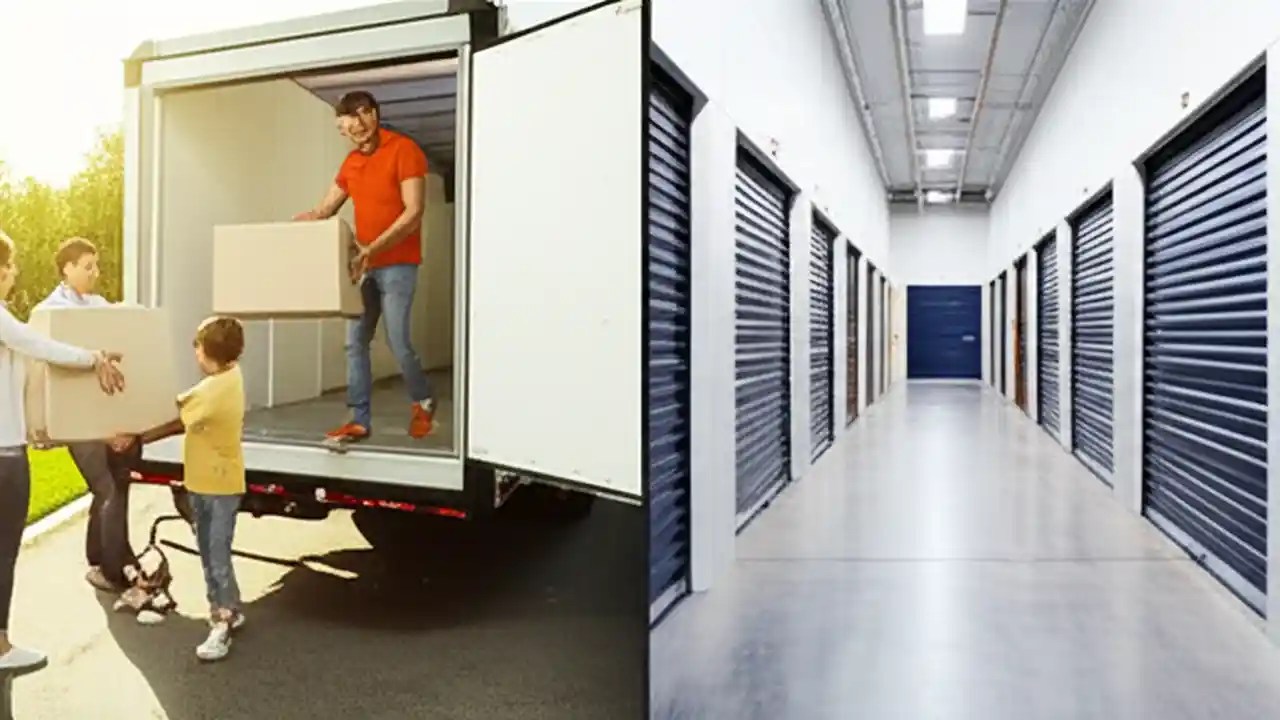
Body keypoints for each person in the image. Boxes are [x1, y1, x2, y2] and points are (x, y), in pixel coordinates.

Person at [0, 230, 125, 671]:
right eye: (10, 265)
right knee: (4, 552)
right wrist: (93, 357)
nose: (14, 272)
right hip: (5, 455)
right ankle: (0, 648)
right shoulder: (4, 318)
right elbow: (44, 349)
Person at [293, 89, 435, 449]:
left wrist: (372, 249)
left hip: (398, 264)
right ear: (341, 128)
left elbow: (413, 210)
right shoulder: (351, 165)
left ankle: (423, 402)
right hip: (365, 266)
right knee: (354, 343)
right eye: (349, 120)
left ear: (375, 114)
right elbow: (324, 210)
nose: (358, 125)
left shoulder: (404, 150)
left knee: (398, 340)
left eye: (363, 114)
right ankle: (358, 420)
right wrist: (296, 228)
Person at [113, 316, 246, 661]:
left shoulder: (213, 390)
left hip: (215, 488)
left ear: (206, 353)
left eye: (198, 347)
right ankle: (231, 607)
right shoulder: (229, 377)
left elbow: (174, 419)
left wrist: (135, 438)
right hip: (208, 482)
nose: (195, 353)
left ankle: (221, 624)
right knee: (214, 553)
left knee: (214, 557)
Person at [32, 237, 139, 593]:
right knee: (106, 487)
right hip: (78, 421)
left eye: (96, 266)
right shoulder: (50, 311)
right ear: (67, 268)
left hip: (107, 414)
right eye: (87, 266)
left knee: (114, 487)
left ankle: (108, 555)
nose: (95, 273)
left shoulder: (97, 305)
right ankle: (114, 569)